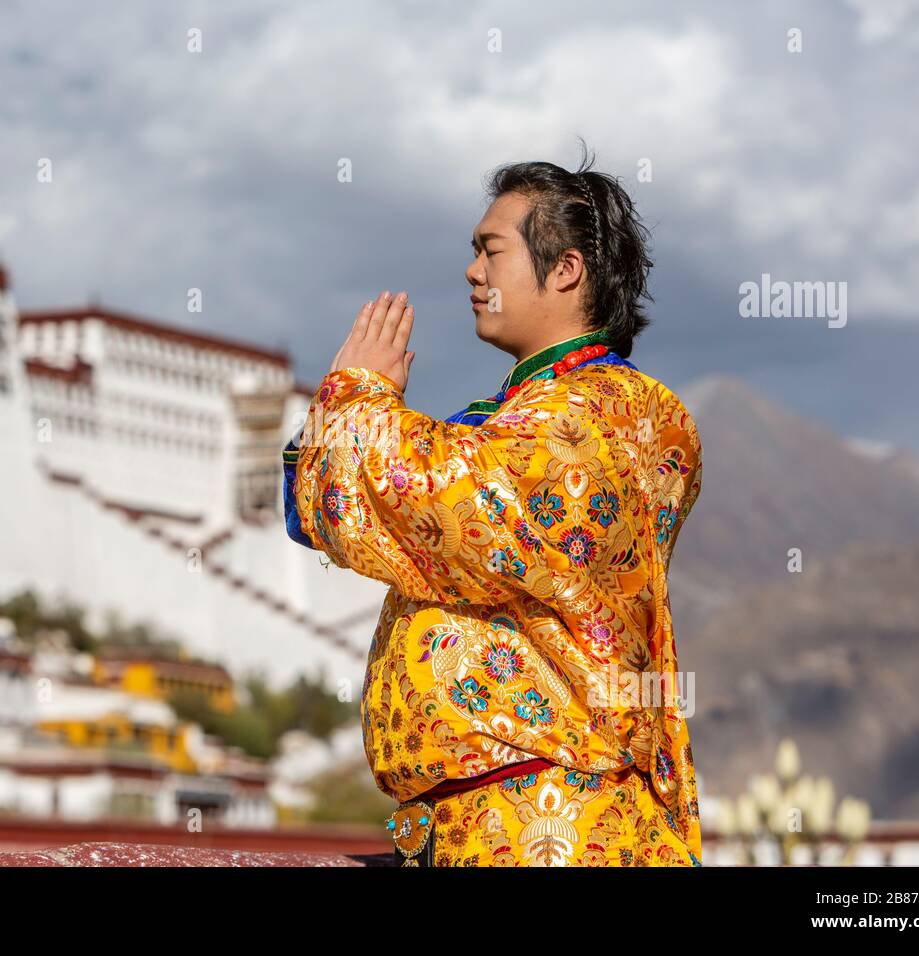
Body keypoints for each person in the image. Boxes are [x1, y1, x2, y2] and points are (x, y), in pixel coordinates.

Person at [281, 150, 704, 866]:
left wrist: (354, 396)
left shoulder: (607, 418)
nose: (473, 273)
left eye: (491, 250)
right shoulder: (514, 422)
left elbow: (438, 497)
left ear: (565, 269)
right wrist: (354, 416)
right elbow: (318, 509)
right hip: (479, 829)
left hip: (551, 828)